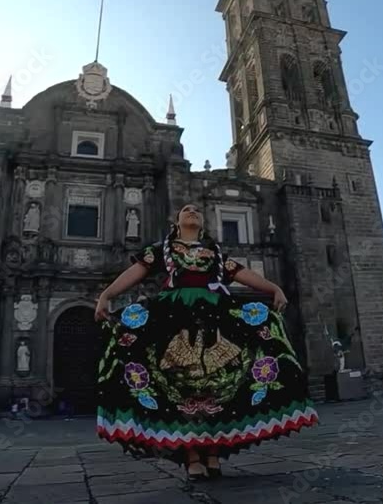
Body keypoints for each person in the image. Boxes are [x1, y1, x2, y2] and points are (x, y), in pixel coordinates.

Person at [94, 204, 318, 481]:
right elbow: (136, 272)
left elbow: (242, 274)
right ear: (176, 222)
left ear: (203, 223)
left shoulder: (216, 253)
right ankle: (192, 455)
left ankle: (212, 451)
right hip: (174, 317)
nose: (192, 210)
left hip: (215, 316)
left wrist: (273, 288)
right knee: (183, 385)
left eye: (197, 210)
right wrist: (106, 295)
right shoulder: (163, 249)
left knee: (217, 384)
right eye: (185, 209)